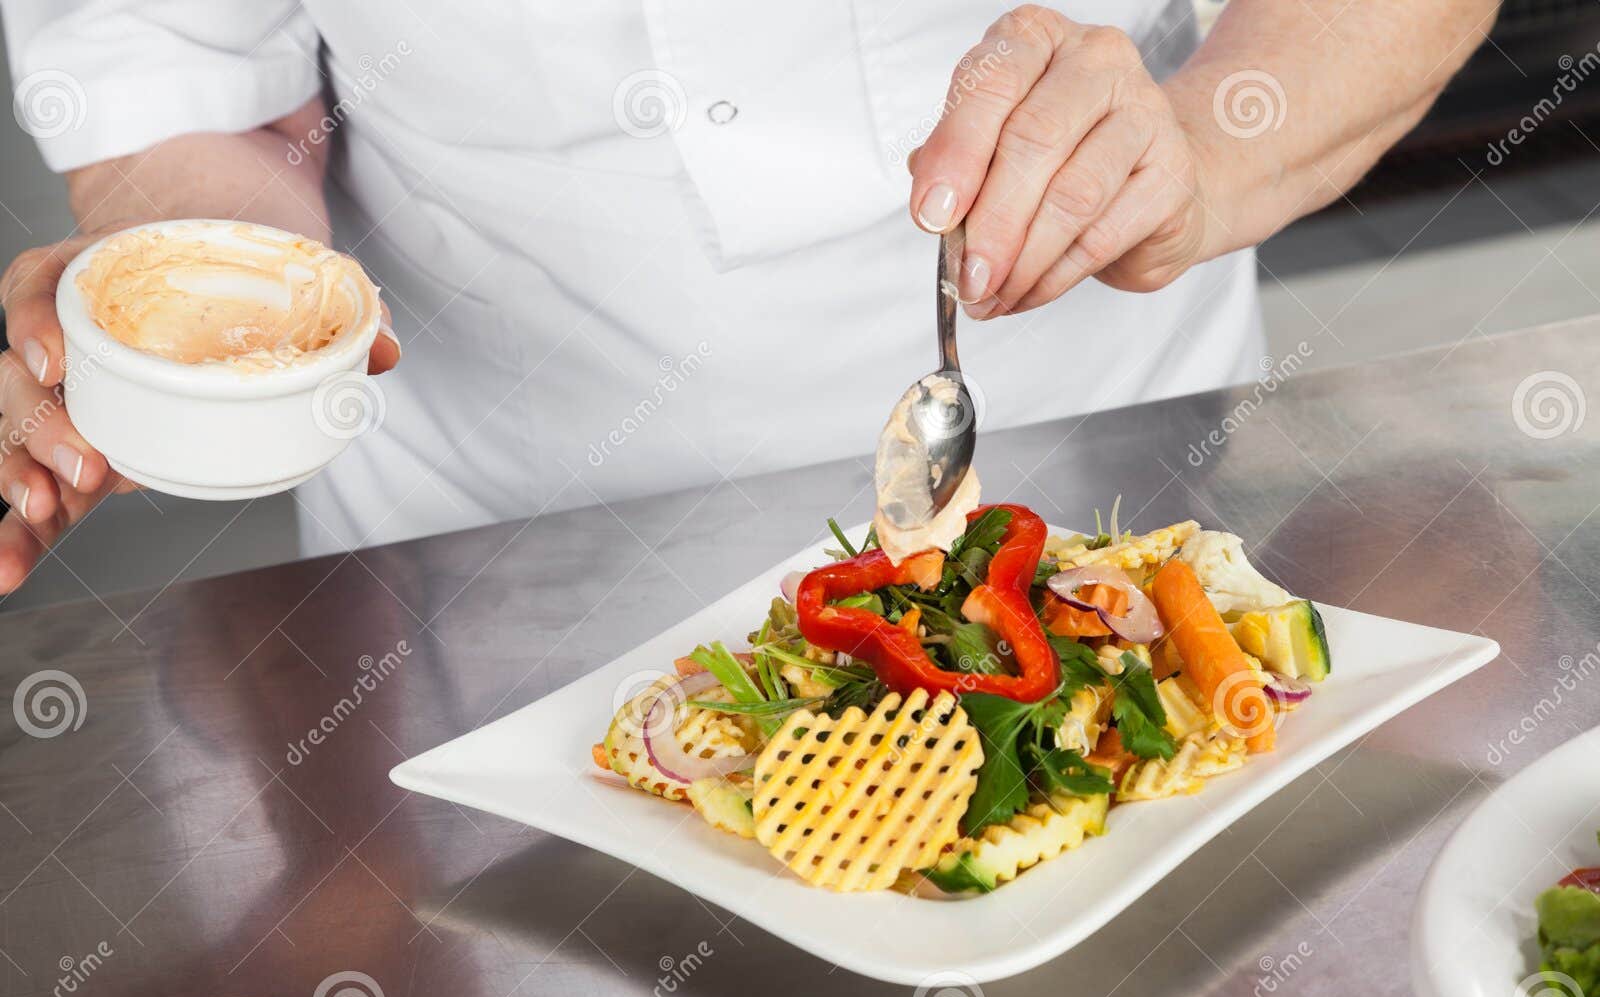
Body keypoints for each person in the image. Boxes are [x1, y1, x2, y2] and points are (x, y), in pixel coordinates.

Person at [0, 1, 1496, 593]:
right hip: (483, 570)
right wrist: (191, 311)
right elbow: (182, 68)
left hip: (1109, 497)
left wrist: (1203, 149)